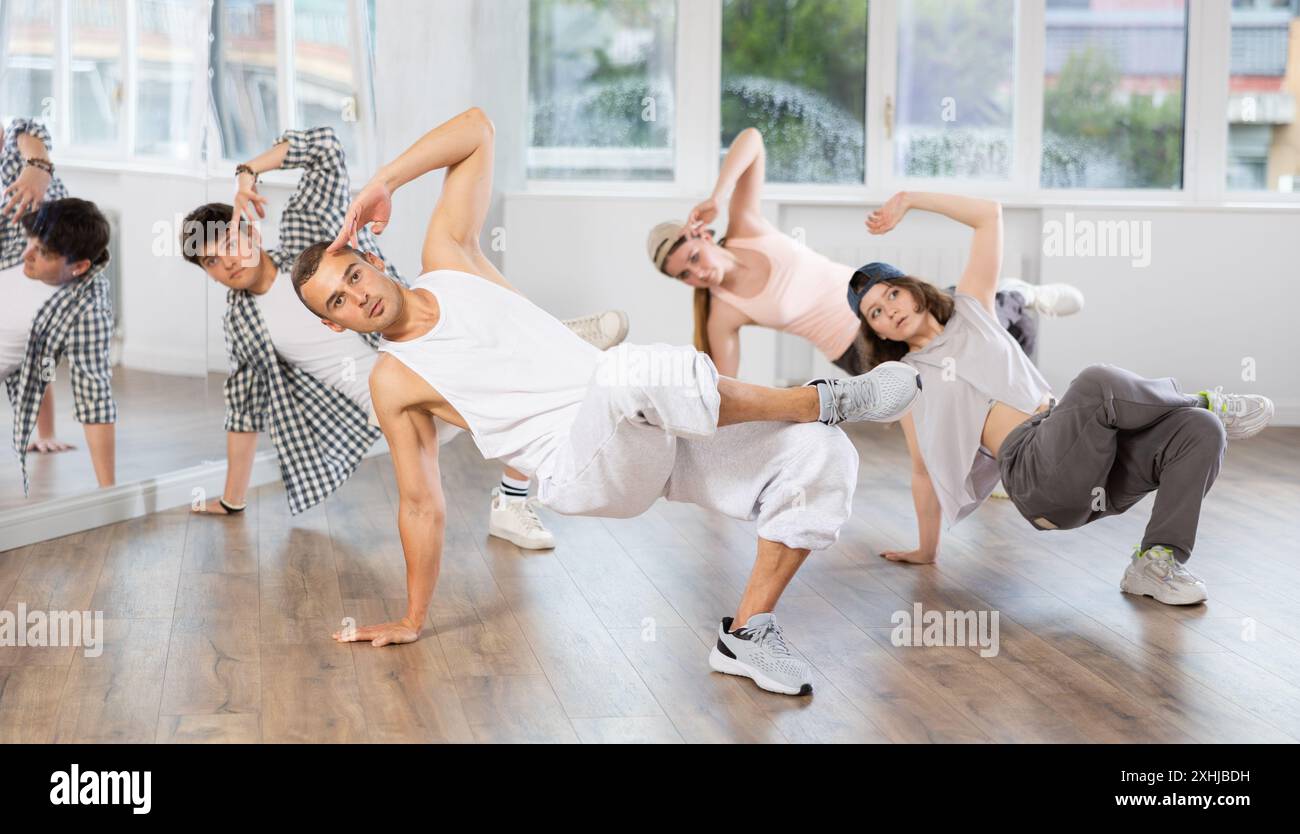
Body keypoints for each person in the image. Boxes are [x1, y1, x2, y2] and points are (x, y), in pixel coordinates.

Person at [291, 107, 921, 696]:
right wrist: (412, 615)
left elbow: (478, 127)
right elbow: (420, 502)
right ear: (334, 326)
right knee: (629, 368)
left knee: (821, 455)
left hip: (650, 430)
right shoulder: (394, 378)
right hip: (578, 467)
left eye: (351, 276)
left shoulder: (449, 258)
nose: (357, 297)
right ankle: (821, 398)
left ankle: (749, 635)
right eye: (337, 303)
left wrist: (385, 180)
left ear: (369, 257)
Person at [179, 125, 627, 548]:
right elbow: (244, 407)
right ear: (207, 275)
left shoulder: (309, 242)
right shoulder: (242, 326)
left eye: (231, 244)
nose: (229, 262)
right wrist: (233, 498)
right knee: (505, 380)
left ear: (250, 229)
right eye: (212, 262)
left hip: (424, 342)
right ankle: (556, 341)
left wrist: (248, 171)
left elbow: (325, 148)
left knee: (491, 354)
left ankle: (514, 494)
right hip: (385, 406)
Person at [850, 189, 1274, 605]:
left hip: (1096, 467)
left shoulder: (972, 310)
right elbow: (923, 472)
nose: (891, 310)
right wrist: (927, 550)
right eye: (876, 313)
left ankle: (1156, 562)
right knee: (1096, 381)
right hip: (1037, 479)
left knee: (1201, 431)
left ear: (912, 289)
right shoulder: (907, 380)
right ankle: (1202, 399)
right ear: (879, 333)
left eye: (892, 294)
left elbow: (989, 215)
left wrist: (909, 199)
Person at [645, 127, 1084, 378]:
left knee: (982, 332)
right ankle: (1012, 299)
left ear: (701, 235)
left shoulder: (745, 228)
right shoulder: (724, 314)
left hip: (888, 302)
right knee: (959, 367)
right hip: (861, 352)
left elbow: (754, 139)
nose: (696, 275)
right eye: (683, 276)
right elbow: (728, 384)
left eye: (693, 259)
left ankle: (1013, 299)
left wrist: (719, 194)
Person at [1, 119, 116, 491]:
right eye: (30, 242)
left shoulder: (84, 309)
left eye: (41, 251)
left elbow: (94, 395)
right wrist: (37, 166)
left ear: (78, 267)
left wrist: (107, 494)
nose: (28, 255)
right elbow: (25, 131)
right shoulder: (32, 238)